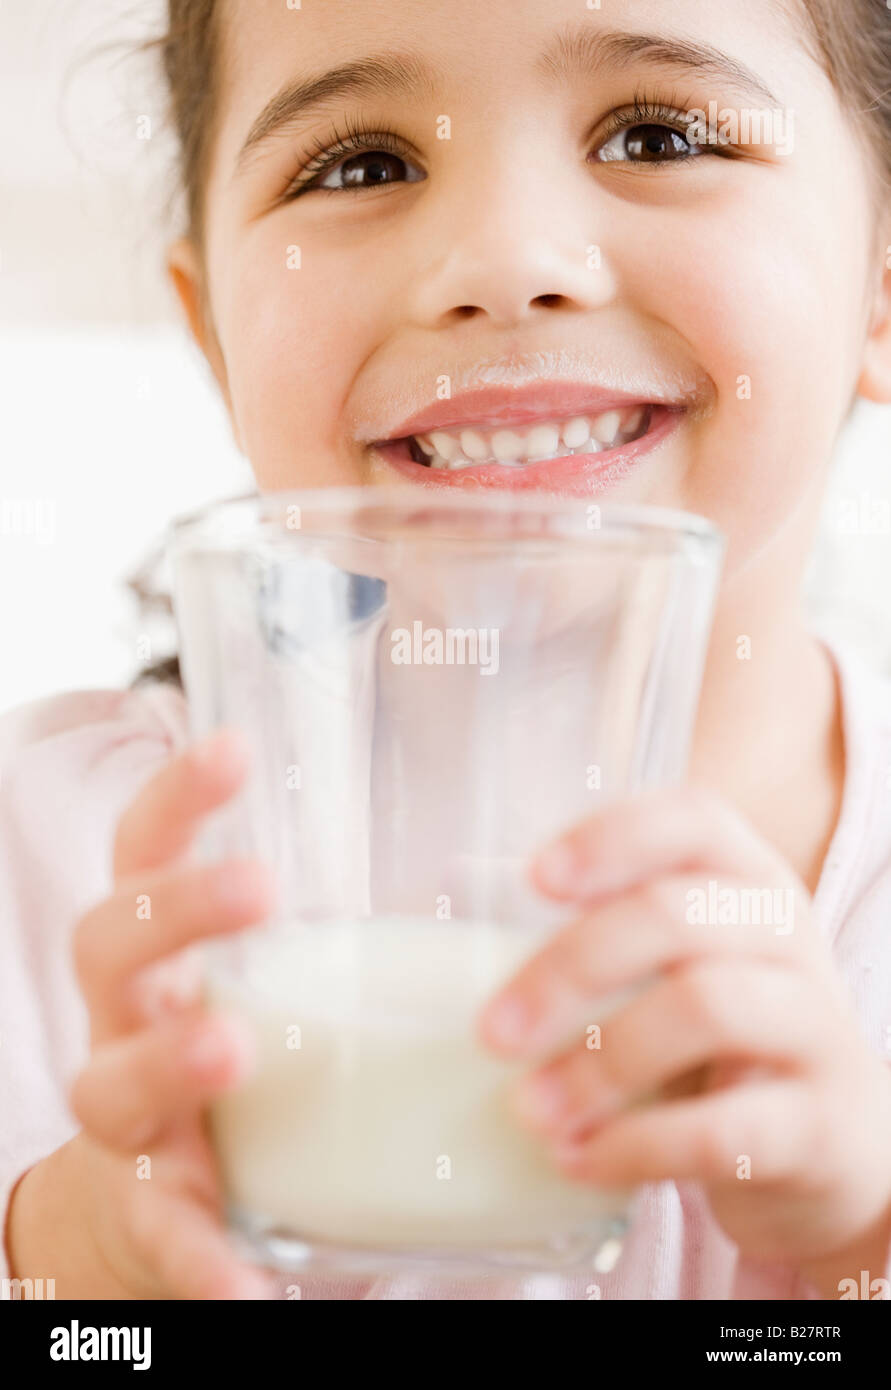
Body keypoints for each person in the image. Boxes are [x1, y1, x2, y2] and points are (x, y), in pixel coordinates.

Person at [3, 0, 891, 1300]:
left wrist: (859, 1246)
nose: (503, 256)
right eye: (361, 164)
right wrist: (68, 1262)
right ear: (211, 334)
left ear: (883, 279)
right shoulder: (56, 860)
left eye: (656, 135)